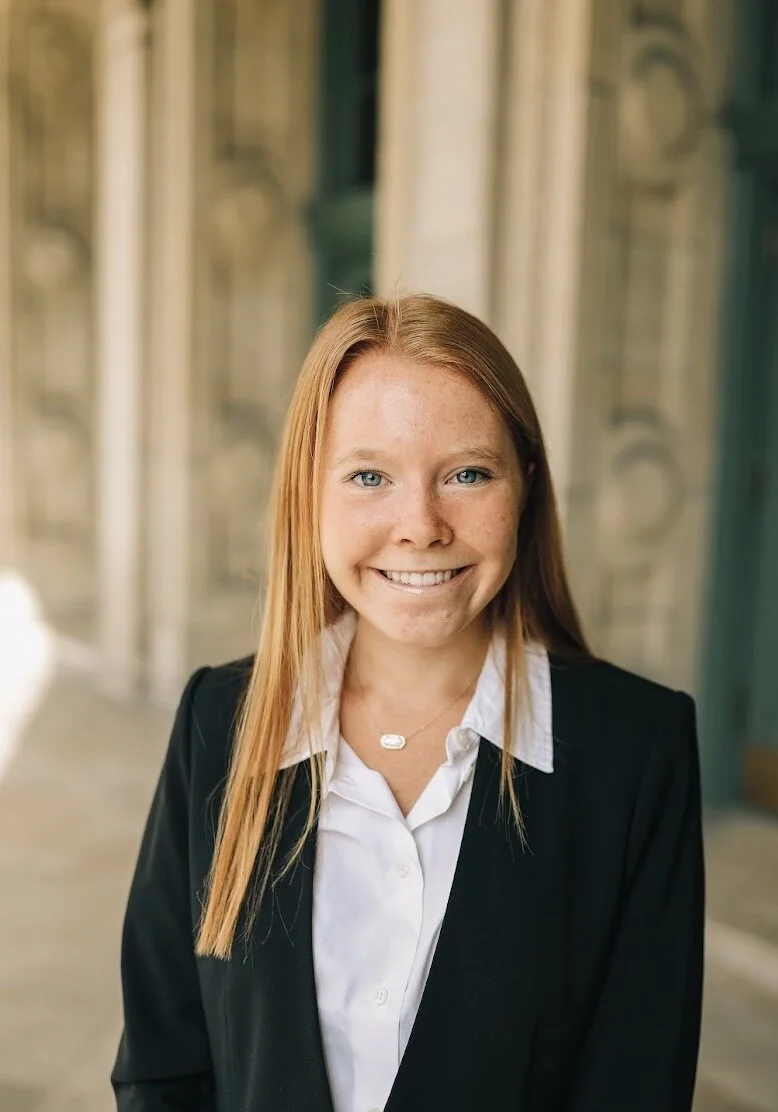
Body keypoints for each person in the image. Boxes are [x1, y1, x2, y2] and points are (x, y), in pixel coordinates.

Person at [111, 293, 705, 1112]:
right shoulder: (220, 721)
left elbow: (635, 1086)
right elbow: (161, 1065)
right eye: (368, 476)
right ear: (306, 494)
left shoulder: (635, 751)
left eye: (467, 473)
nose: (420, 525)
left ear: (524, 487)